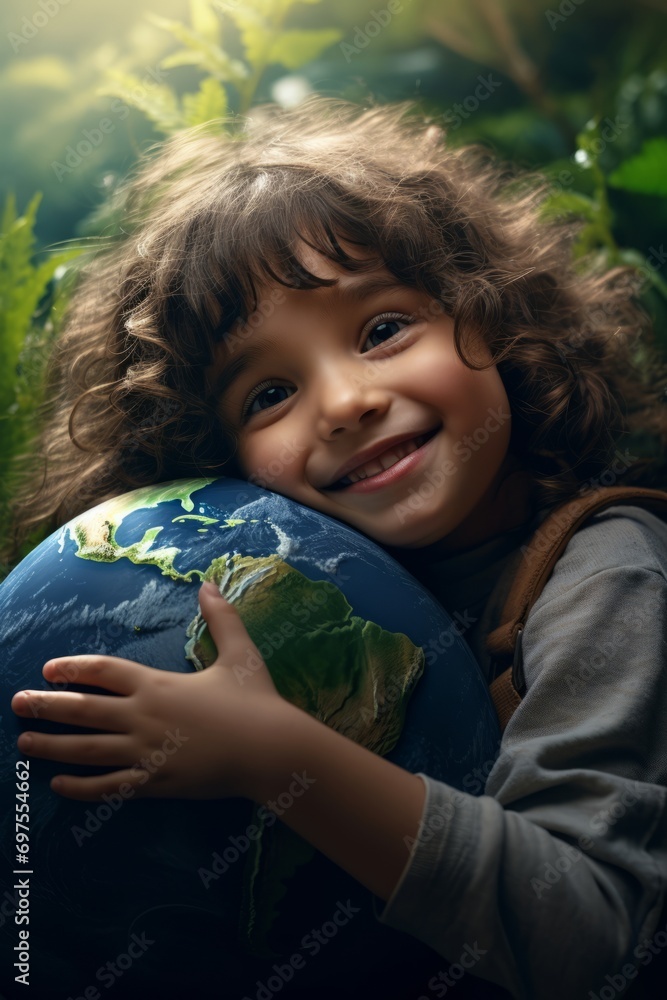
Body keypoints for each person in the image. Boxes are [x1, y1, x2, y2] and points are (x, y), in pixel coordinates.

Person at [7, 95, 667, 999]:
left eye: (383, 330)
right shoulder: (292, 594)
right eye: (269, 395)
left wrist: (274, 754)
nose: (347, 403)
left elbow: (589, 926)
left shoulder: (608, 574)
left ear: (491, 318)